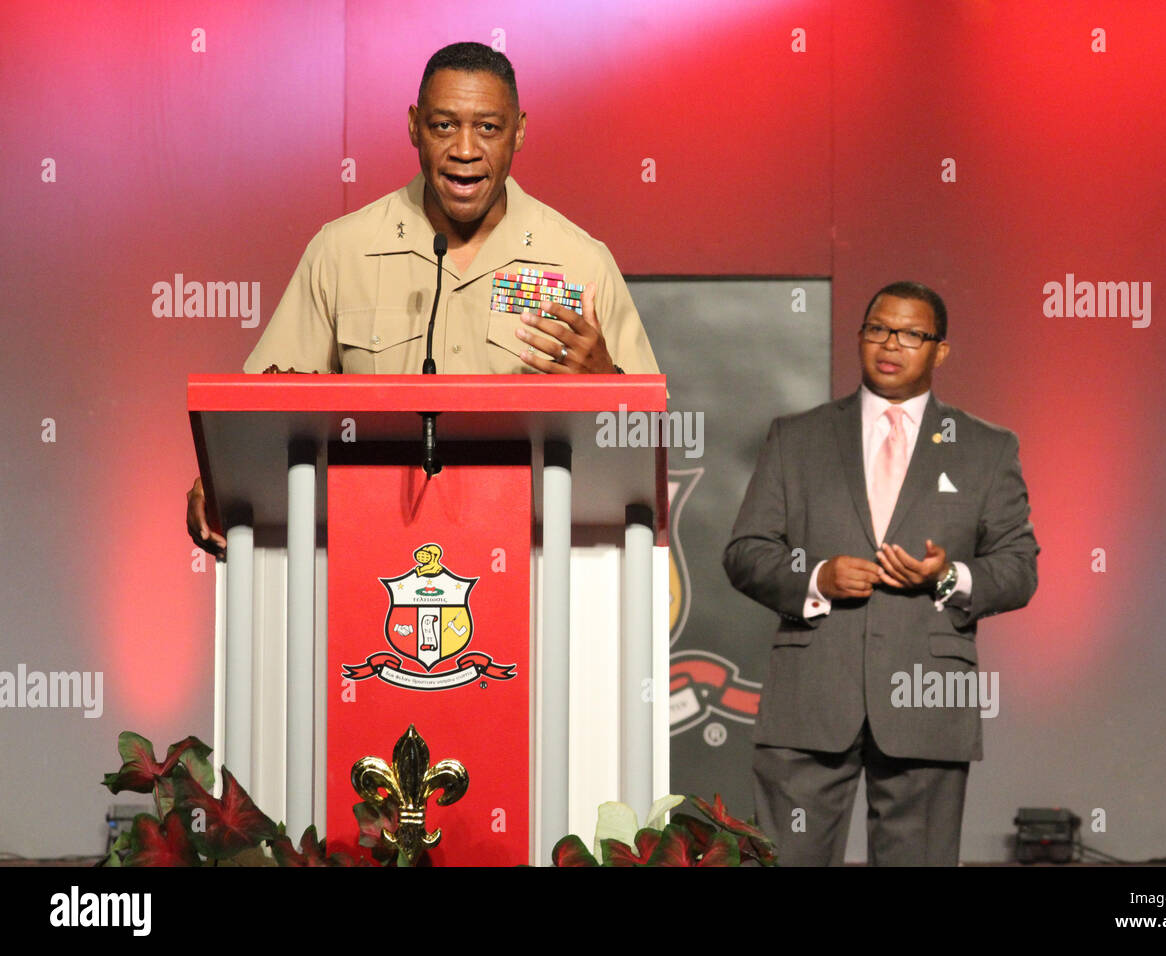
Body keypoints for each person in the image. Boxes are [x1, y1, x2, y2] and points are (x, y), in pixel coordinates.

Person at [188, 41, 660, 554]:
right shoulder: (343, 252)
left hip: (534, 565)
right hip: (368, 559)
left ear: (519, 131)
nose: (464, 149)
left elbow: (646, 455)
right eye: (443, 126)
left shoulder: (579, 263)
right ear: (414, 125)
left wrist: (607, 385)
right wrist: (223, 477)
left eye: (488, 127)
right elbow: (265, 411)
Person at [722, 281, 1038, 866]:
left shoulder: (987, 449)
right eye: (878, 329)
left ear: (940, 350)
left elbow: (1019, 569)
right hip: (810, 700)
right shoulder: (797, 437)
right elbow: (745, 552)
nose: (891, 344)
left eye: (912, 334)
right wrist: (815, 577)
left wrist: (948, 577)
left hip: (927, 698)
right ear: (861, 336)